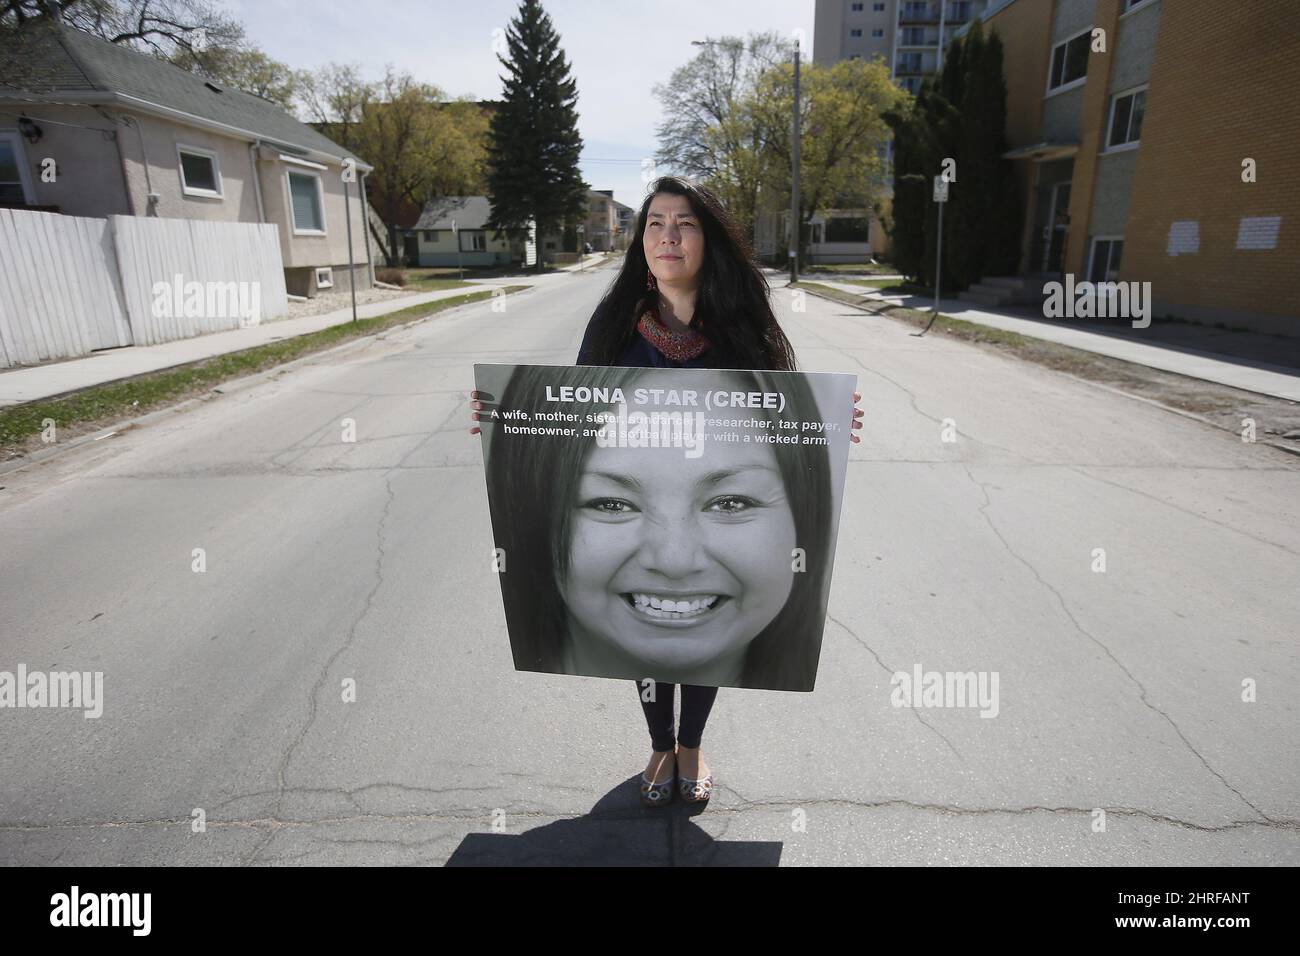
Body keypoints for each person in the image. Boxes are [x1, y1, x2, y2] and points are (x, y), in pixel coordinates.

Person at [472, 175, 862, 808]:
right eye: (655, 223)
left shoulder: (744, 330)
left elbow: (785, 425)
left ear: (709, 240)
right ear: (641, 242)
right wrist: (502, 423)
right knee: (652, 621)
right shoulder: (613, 326)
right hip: (641, 517)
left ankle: (692, 744)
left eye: (685, 223)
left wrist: (832, 423)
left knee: (703, 617)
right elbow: (568, 419)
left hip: (707, 518)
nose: (668, 236)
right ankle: (659, 742)